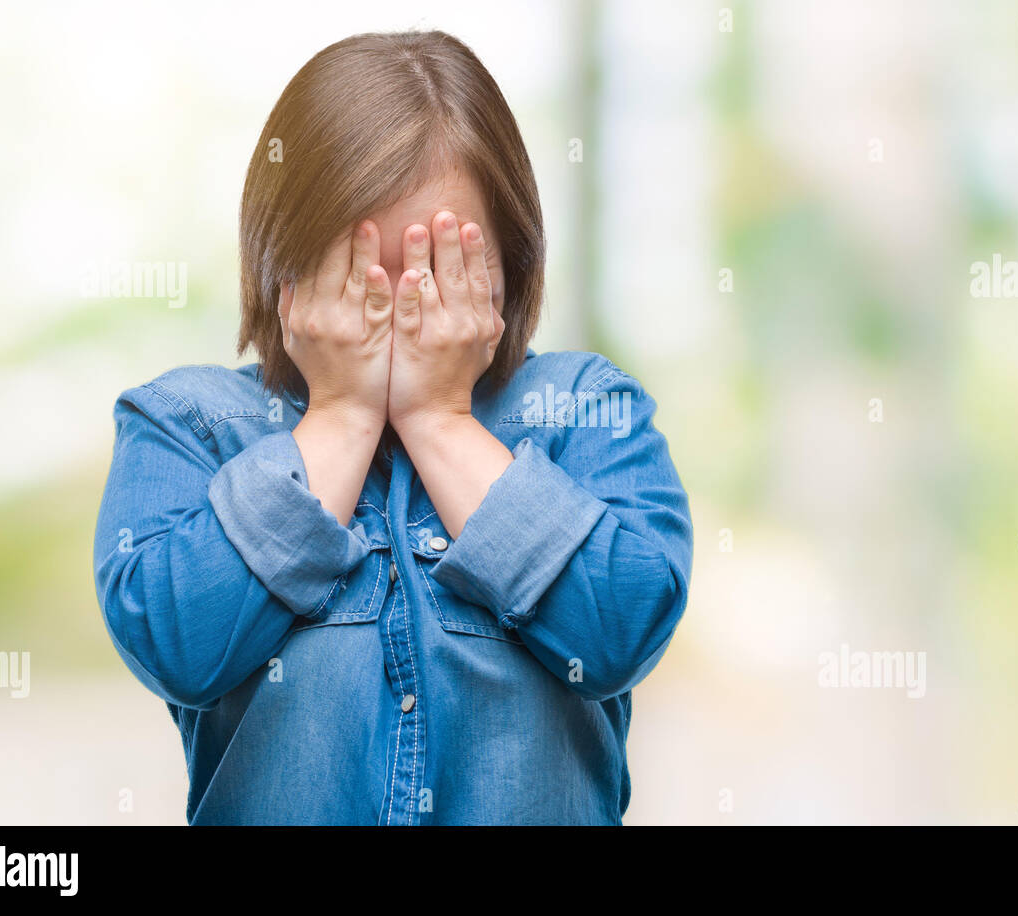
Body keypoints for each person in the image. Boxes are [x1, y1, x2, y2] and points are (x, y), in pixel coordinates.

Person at [93, 30, 692, 825]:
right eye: (358, 270)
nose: (397, 305)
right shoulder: (187, 425)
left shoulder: (584, 408)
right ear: (285, 265)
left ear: (508, 263)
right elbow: (176, 644)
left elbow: (621, 630)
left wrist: (439, 419)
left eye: (437, 266)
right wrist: (341, 414)